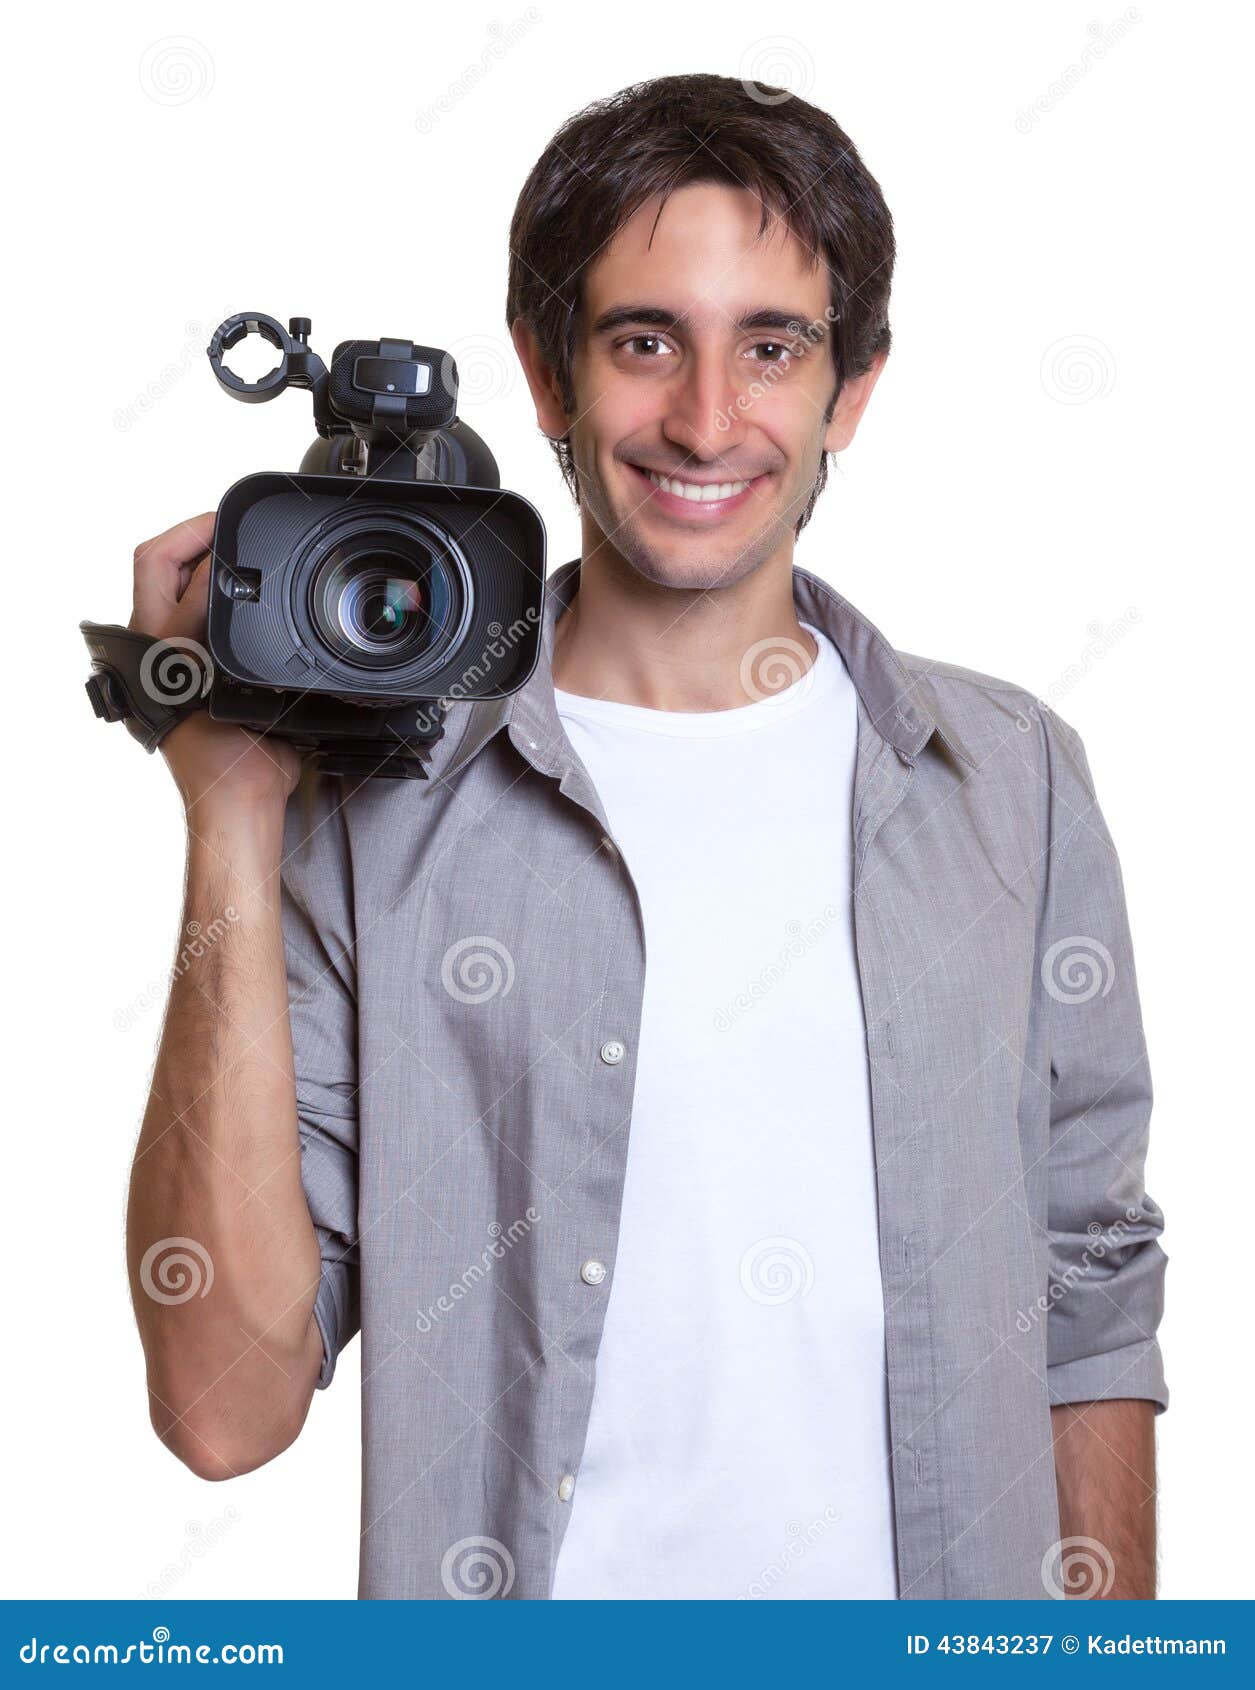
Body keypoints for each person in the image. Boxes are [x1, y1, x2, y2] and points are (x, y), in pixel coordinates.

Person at [123, 73, 1166, 1601]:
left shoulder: (1012, 780)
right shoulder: (371, 813)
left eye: (772, 346)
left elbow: (1091, 1293)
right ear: (547, 375)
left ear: (850, 389)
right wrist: (227, 804)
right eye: (642, 341)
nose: (703, 419)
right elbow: (224, 1408)